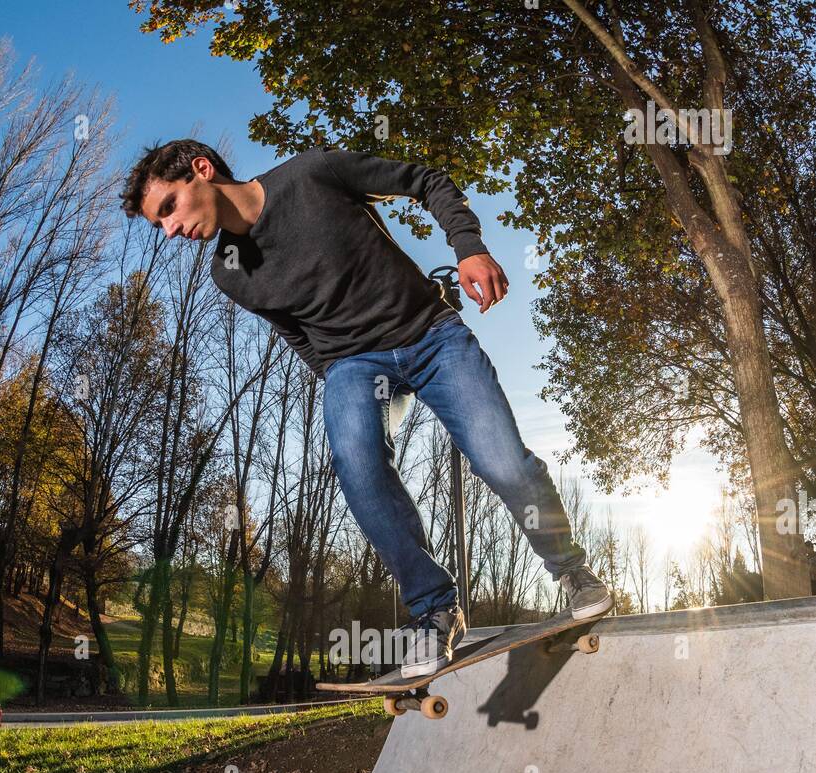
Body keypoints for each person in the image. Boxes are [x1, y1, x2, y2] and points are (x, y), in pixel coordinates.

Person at [122, 139, 612, 679]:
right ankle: (435, 609)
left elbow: (427, 179)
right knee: (359, 470)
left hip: (431, 337)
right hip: (353, 367)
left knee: (501, 461)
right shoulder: (229, 273)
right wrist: (339, 381)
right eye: (158, 224)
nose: (169, 230)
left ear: (201, 170)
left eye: (168, 207)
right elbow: (294, 333)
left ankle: (572, 572)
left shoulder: (313, 173)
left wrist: (468, 247)